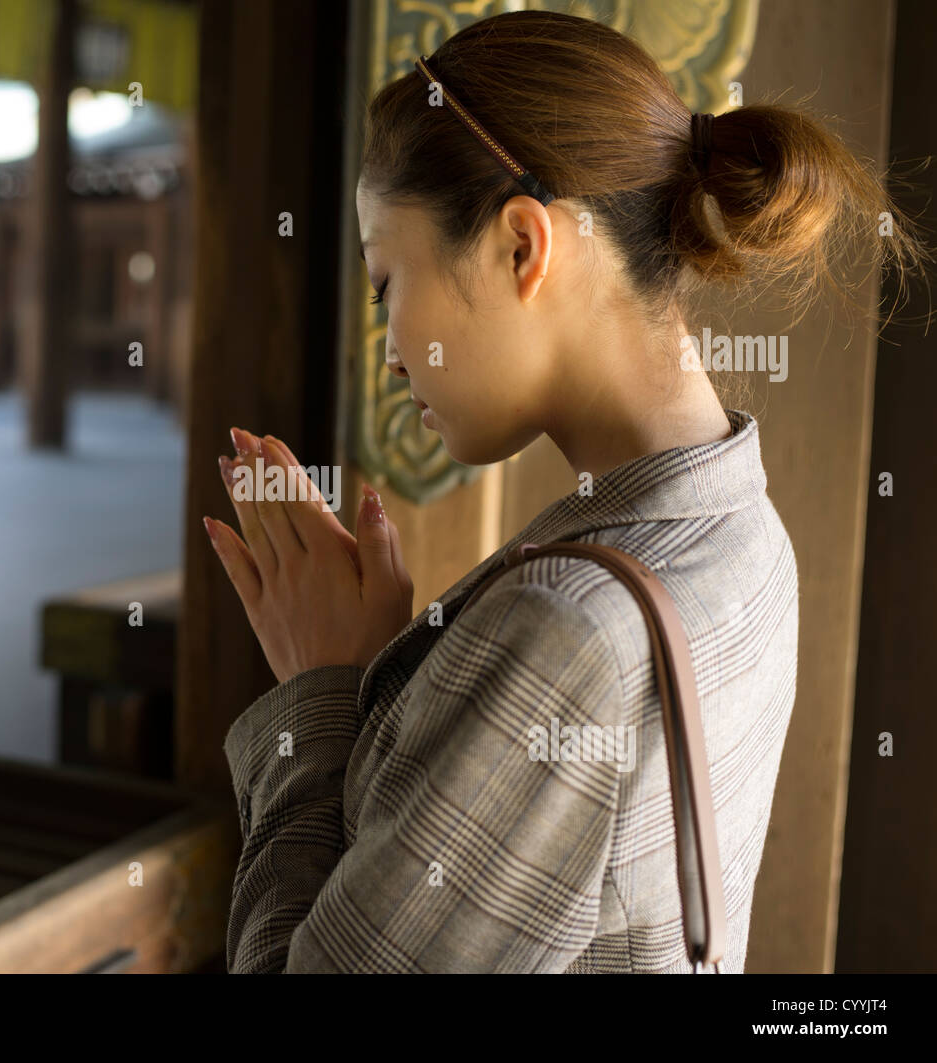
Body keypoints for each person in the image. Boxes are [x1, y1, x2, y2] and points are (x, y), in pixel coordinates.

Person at [201, 9, 926, 973]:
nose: (386, 349)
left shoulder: (564, 636)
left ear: (520, 247)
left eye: (385, 283)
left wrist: (320, 695)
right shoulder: (749, 535)